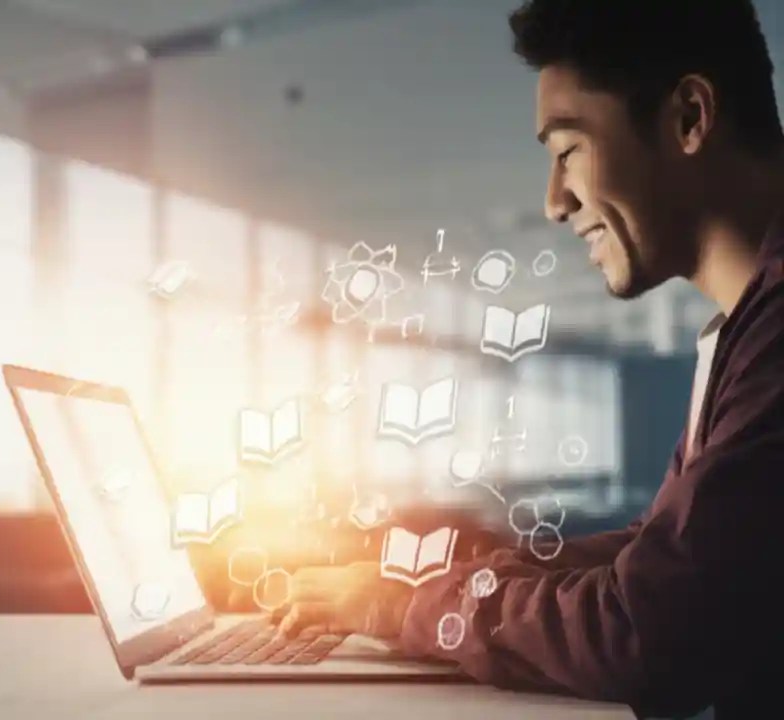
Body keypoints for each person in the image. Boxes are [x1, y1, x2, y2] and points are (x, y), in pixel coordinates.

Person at [270, 2, 784, 718]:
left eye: (568, 149)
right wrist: (450, 578)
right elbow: (664, 554)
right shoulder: (745, 331)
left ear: (690, 118)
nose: (553, 201)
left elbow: (648, 630)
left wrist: (412, 610)